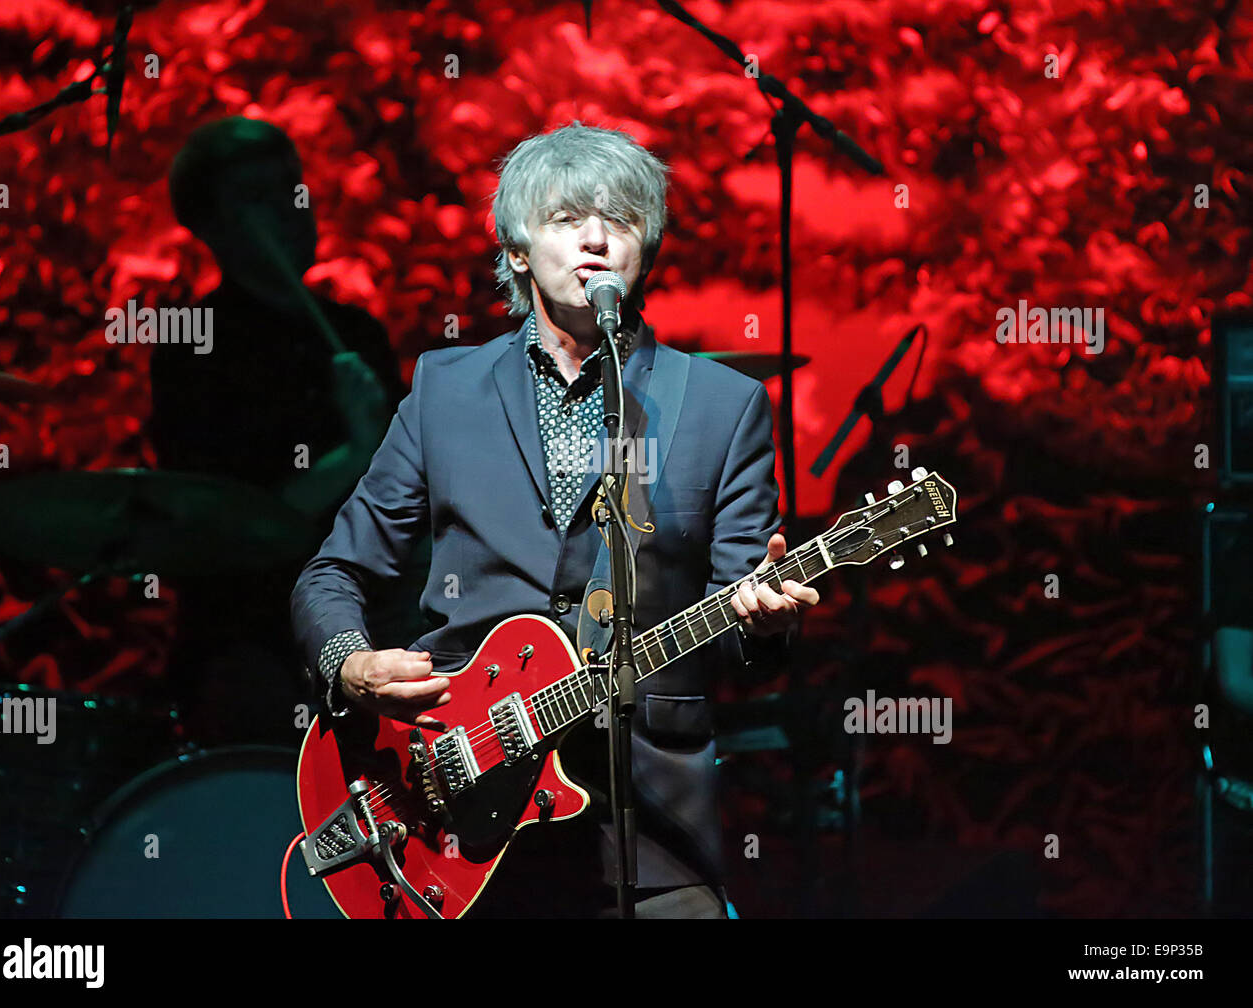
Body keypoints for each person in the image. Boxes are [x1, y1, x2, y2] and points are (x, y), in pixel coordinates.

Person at [291, 122, 817, 917]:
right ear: (517, 250)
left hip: (649, 828)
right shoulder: (446, 391)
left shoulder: (720, 406)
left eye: (623, 220)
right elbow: (335, 572)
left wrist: (765, 620)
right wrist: (349, 665)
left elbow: (744, 619)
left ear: (650, 248)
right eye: (568, 220)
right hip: (457, 808)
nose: (598, 239)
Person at [150, 117, 411, 746]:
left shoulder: (355, 335)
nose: (293, 212)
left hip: (374, 617)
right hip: (250, 635)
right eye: (258, 199)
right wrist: (355, 449)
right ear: (208, 228)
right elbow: (232, 525)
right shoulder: (191, 347)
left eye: (294, 190)